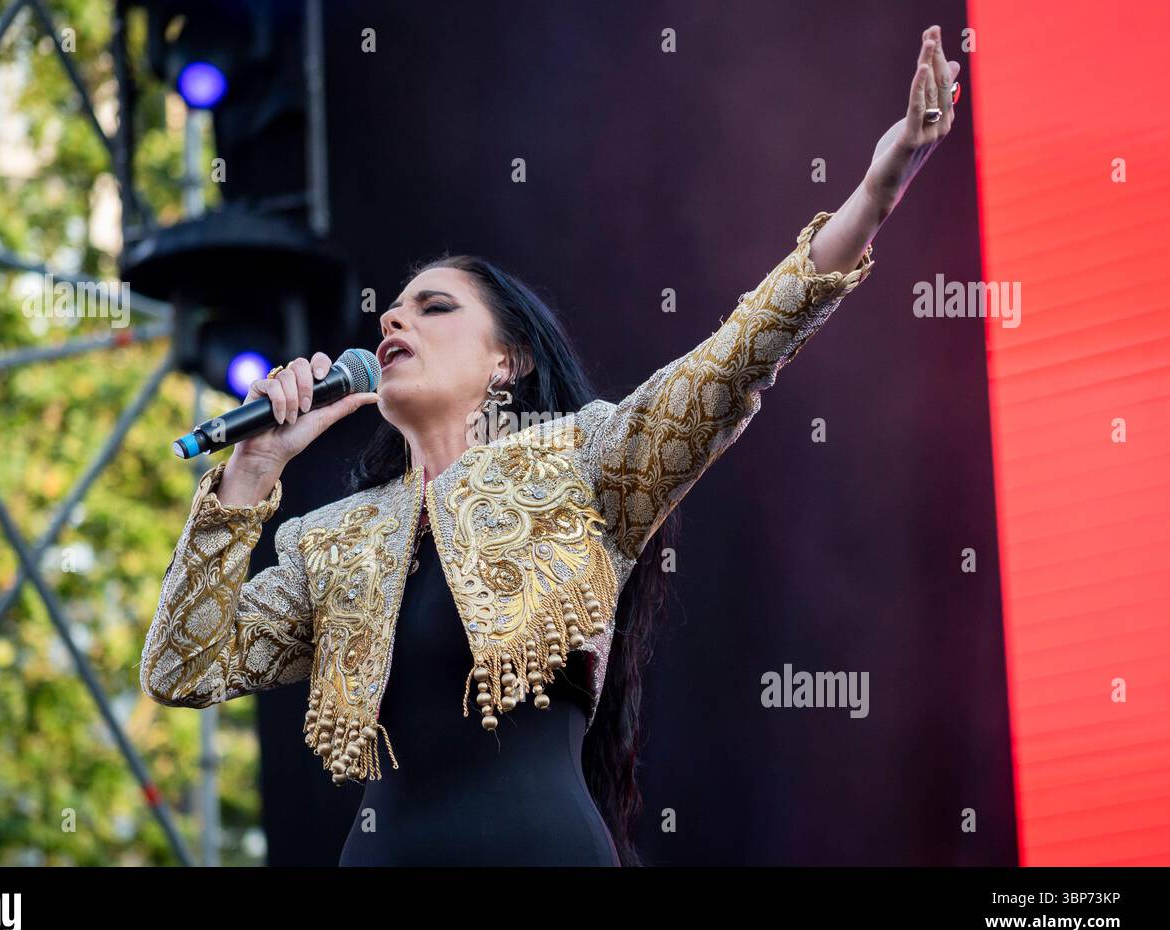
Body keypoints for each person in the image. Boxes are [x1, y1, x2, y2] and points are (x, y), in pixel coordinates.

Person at [139, 26, 960, 866]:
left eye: (435, 307)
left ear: (508, 359)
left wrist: (875, 191)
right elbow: (182, 669)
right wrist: (251, 471)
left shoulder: (584, 462)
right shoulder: (332, 542)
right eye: (392, 311)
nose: (392, 319)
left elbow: (736, 358)